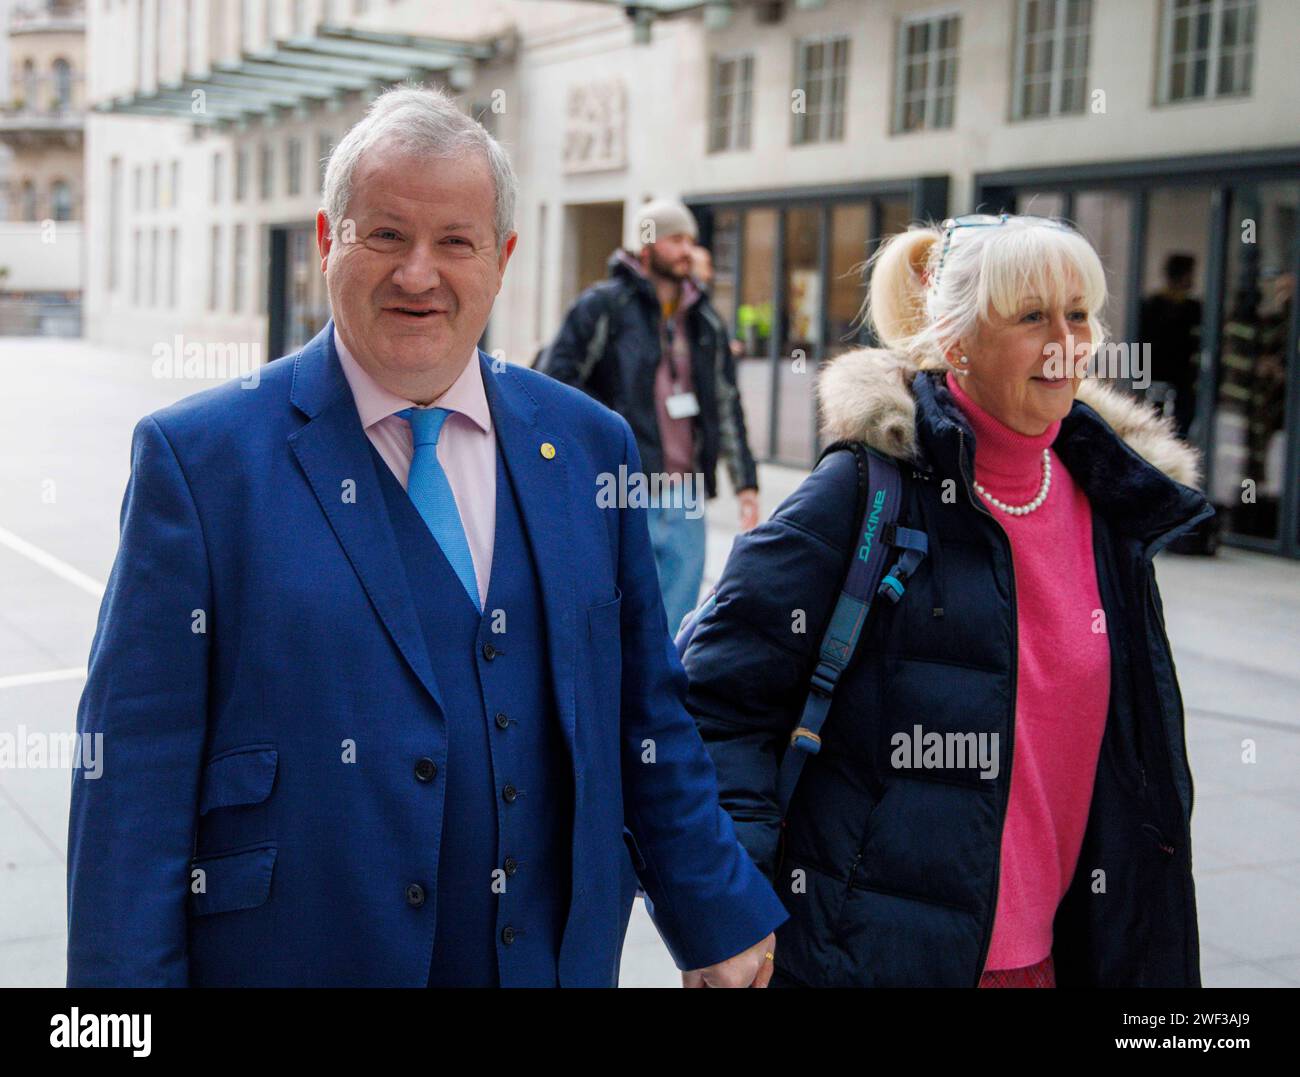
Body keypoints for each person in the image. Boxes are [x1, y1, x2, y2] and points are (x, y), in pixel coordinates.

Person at [65, 85, 786, 988]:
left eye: (455, 242)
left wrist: (712, 905)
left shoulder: (589, 446)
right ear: (329, 243)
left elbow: (645, 713)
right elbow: (132, 786)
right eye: (386, 235)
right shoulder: (201, 462)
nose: (419, 273)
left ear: (502, 258)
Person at [680, 213, 1212, 987]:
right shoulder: (864, 491)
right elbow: (713, 702)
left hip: (1063, 957)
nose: (1065, 339)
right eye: (1032, 316)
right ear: (956, 340)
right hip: (877, 959)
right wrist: (733, 907)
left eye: (1078, 313)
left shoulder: (1109, 506)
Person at [542, 200, 759, 634]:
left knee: (677, 626)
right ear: (647, 246)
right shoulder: (603, 307)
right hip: (622, 489)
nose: (686, 250)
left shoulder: (705, 322)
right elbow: (556, 383)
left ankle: (661, 702)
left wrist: (746, 483)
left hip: (685, 494)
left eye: (690, 241)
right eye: (675, 239)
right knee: (617, 620)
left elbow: (725, 401)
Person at [1139, 253, 1203, 438]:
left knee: (1177, 423)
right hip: (1162, 374)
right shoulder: (1155, 305)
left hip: (1178, 377)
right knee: (1158, 421)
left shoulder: (1193, 308)